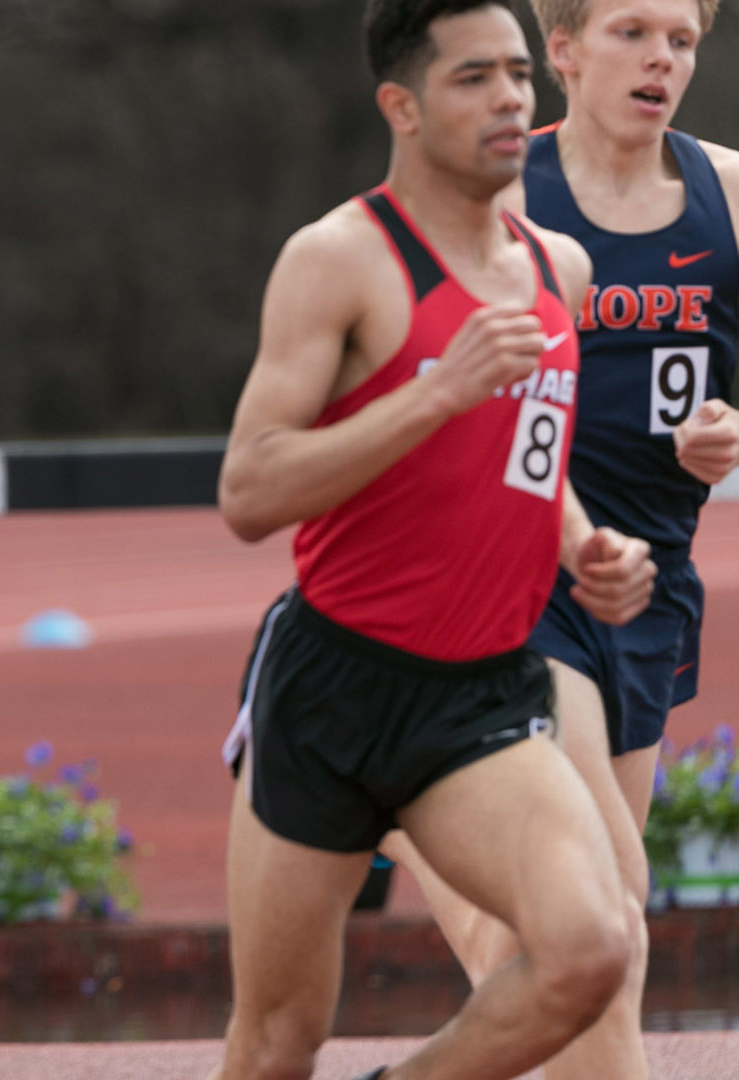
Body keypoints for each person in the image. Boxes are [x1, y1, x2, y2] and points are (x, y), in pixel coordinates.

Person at [208, 3, 660, 1079]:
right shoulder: (338, 259)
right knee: (279, 1039)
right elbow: (250, 490)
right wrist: (435, 393)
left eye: (516, 73)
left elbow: (529, 459)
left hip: (484, 694)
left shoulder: (559, 269)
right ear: (402, 107)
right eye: (473, 79)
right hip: (334, 690)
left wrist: (590, 549)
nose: (510, 98)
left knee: (593, 949)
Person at [376, 2, 738, 1077]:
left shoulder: (727, 193)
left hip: (648, 586)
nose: (660, 59)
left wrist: (733, 430)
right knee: (602, 919)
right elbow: (396, 370)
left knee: (562, 938)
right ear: (565, 52)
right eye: (632, 32)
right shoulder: (489, 188)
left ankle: (383, 798)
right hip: (507, 571)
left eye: (681, 39)